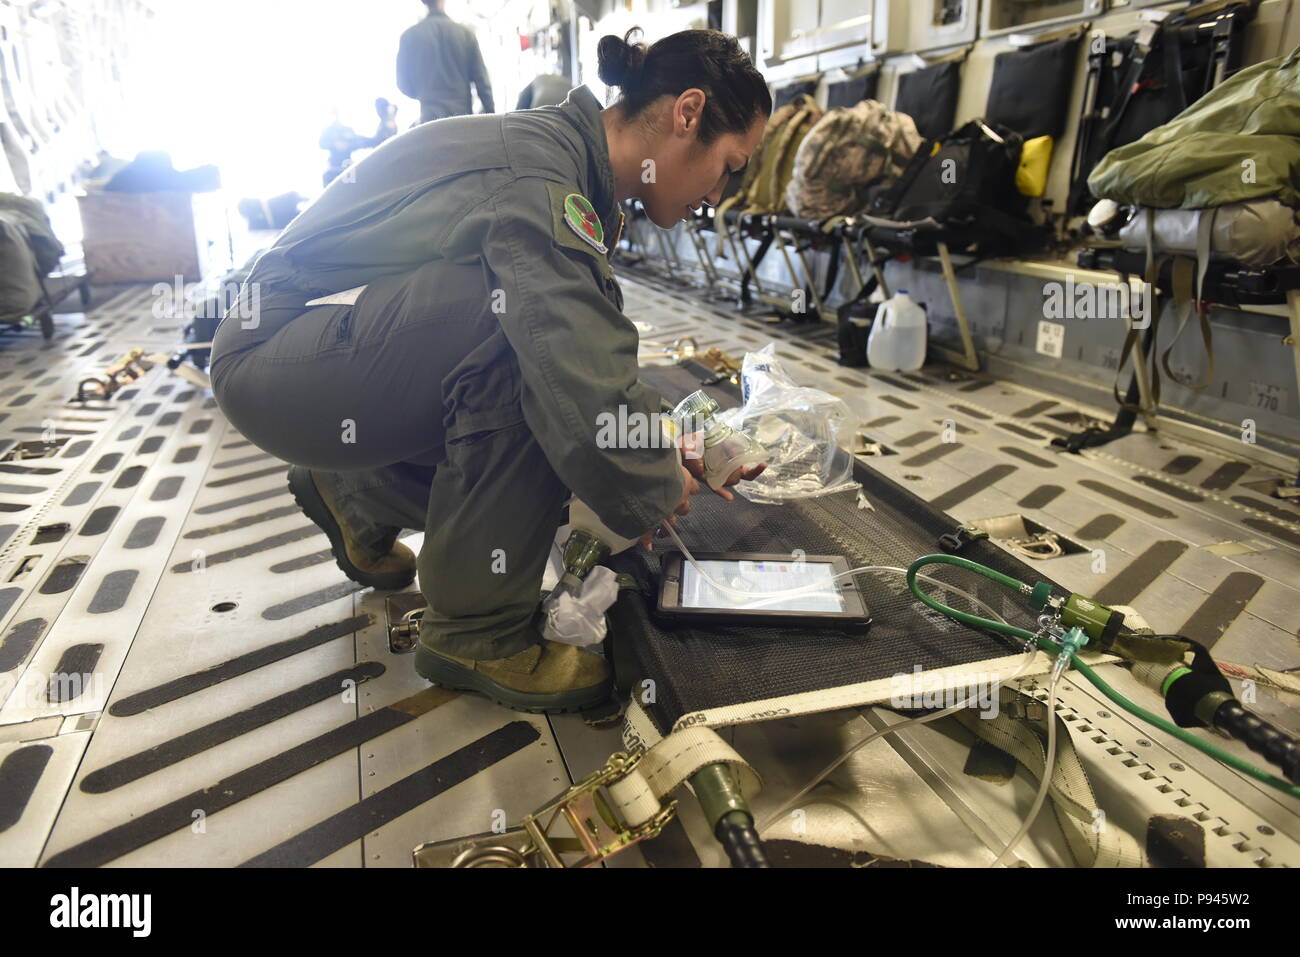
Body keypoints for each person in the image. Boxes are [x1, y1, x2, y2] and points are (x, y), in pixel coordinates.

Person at [209, 28, 771, 714]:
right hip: (275, 357)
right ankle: (477, 633)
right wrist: (654, 472)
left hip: (302, 352)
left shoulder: (563, 163)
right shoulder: (540, 178)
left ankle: (359, 493)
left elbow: (591, 343)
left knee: (543, 345)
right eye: (731, 163)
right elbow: (573, 365)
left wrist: (664, 438)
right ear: (688, 113)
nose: (721, 190)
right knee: (525, 341)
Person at [396, 0, 495, 124]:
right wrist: (491, 117)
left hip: (429, 120)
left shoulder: (409, 37)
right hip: (462, 120)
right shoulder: (465, 34)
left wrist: (424, 93)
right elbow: (482, 82)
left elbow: (403, 84)